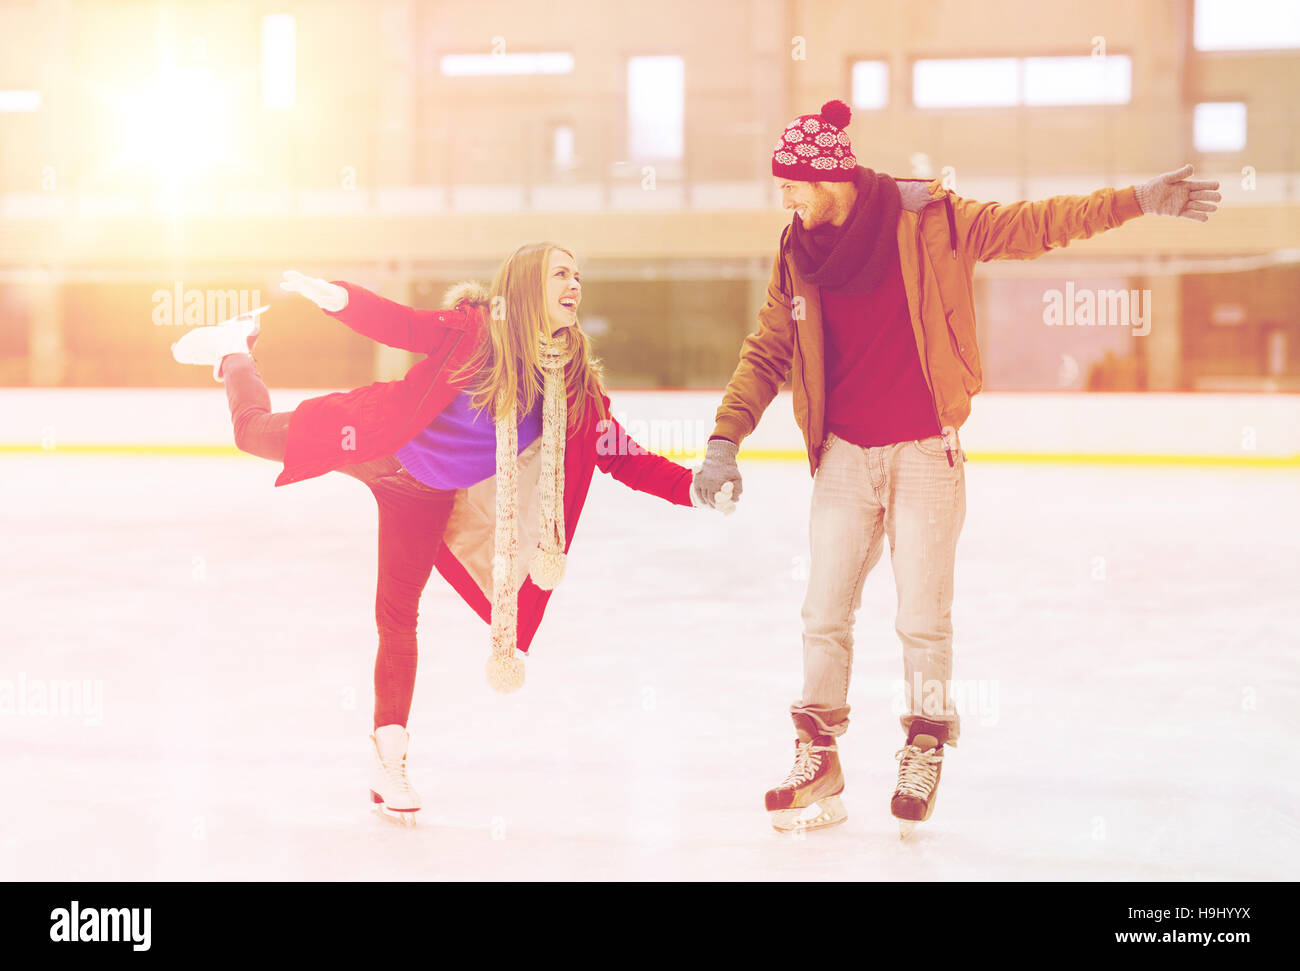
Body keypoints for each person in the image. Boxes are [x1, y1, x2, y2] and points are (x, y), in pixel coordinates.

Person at [690, 99, 1221, 836]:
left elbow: (1036, 224)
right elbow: (768, 349)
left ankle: (925, 743)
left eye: (793, 184)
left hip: (925, 451)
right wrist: (725, 437)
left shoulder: (930, 219)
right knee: (822, 613)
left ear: (831, 176)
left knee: (922, 619)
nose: (785, 197)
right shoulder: (796, 252)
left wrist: (1136, 200)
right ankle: (818, 753)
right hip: (844, 454)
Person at [171, 242, 735, 826]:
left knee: (397, 612)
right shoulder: (473, 330)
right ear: (525, 286)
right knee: (252, 434)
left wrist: (692, 486)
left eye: (579, 276)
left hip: (421, 495)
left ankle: (387, 758)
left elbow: (624, 456)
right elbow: (401, 325)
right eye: (561, 274)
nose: (575, 285)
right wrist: (338, 298)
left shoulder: (573, 389)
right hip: (371, 436)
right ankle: (235, 350)